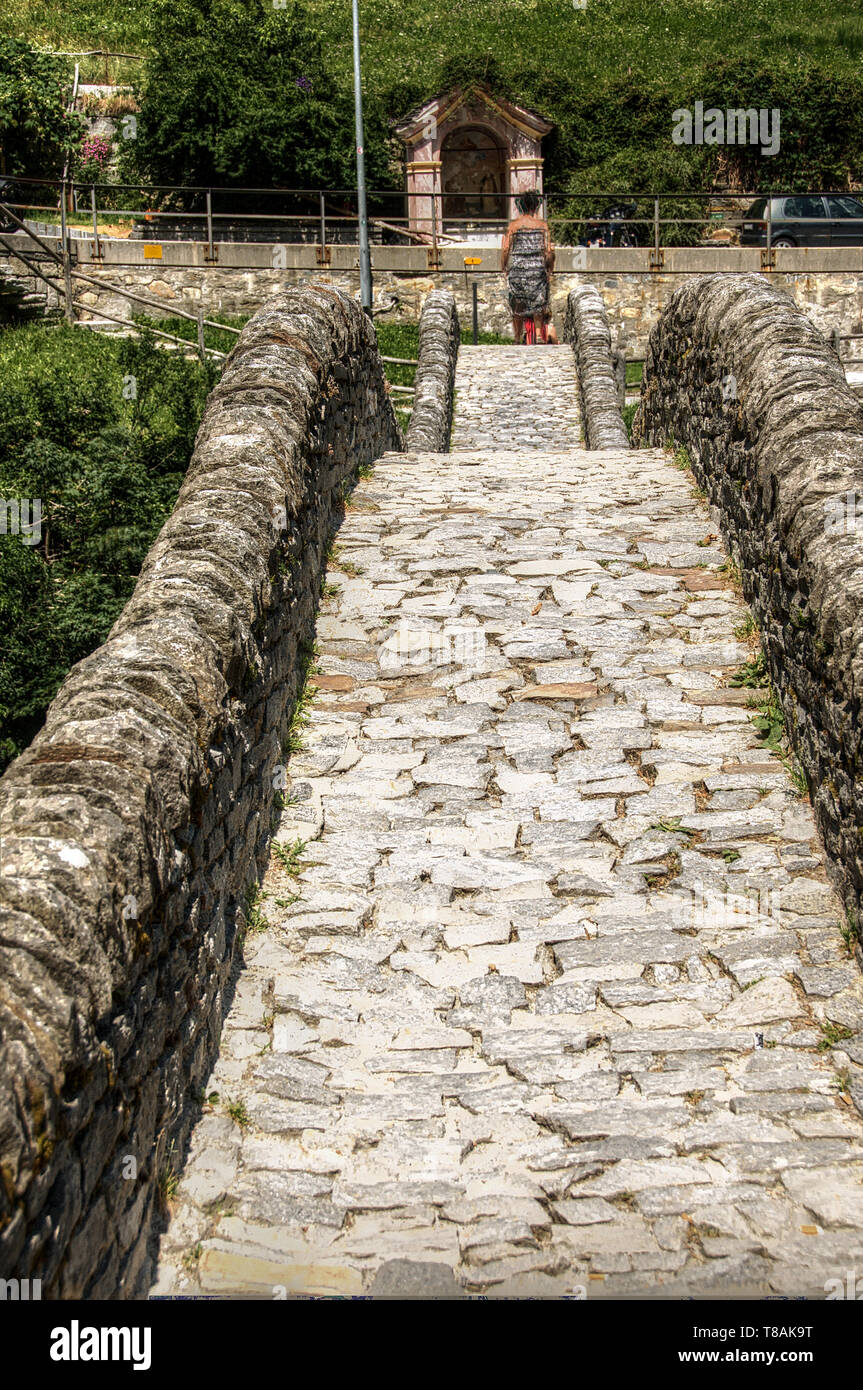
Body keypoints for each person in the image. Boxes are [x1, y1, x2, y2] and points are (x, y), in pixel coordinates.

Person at [500, 190, 559, 343]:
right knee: (538, 302)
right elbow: (548, 250)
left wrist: (504, 266)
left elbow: (506, 248)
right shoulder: (542, 226)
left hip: (518, 270)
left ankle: (517, 337)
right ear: (535, 206)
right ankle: (538, 335)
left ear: (521, 206)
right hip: (537, 269)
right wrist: (549, 268)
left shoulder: (514, 226)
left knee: (518, 304)